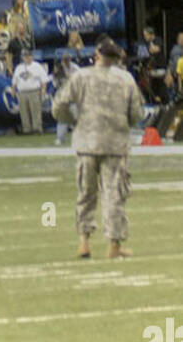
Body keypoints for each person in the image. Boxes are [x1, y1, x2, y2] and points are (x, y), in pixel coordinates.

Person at [52, 35, 144, 259]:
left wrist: (74, 121)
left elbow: (58, 106)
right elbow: (136, 114)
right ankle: (114, 244)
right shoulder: (126, 79)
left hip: (87, 142)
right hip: (115, 144)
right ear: (116, 58)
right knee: (114, 195)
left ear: (96, 56)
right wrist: (123, 123)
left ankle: (84, 242)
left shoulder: (80, 76)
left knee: (85, 193)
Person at [11, 48, 48, 135]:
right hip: (22, 92)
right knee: (24, 112)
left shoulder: (37, 66)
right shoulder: (19, 67)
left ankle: (37, 129)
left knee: (35, 111)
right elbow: (14, 80)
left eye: (28, 56)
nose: (27, 58)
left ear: (31, 56)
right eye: (25, 56)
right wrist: (13, 90)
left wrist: (43, 89)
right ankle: (26, 129)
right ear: (22, 57)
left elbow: (44, 79)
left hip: (34, 91)